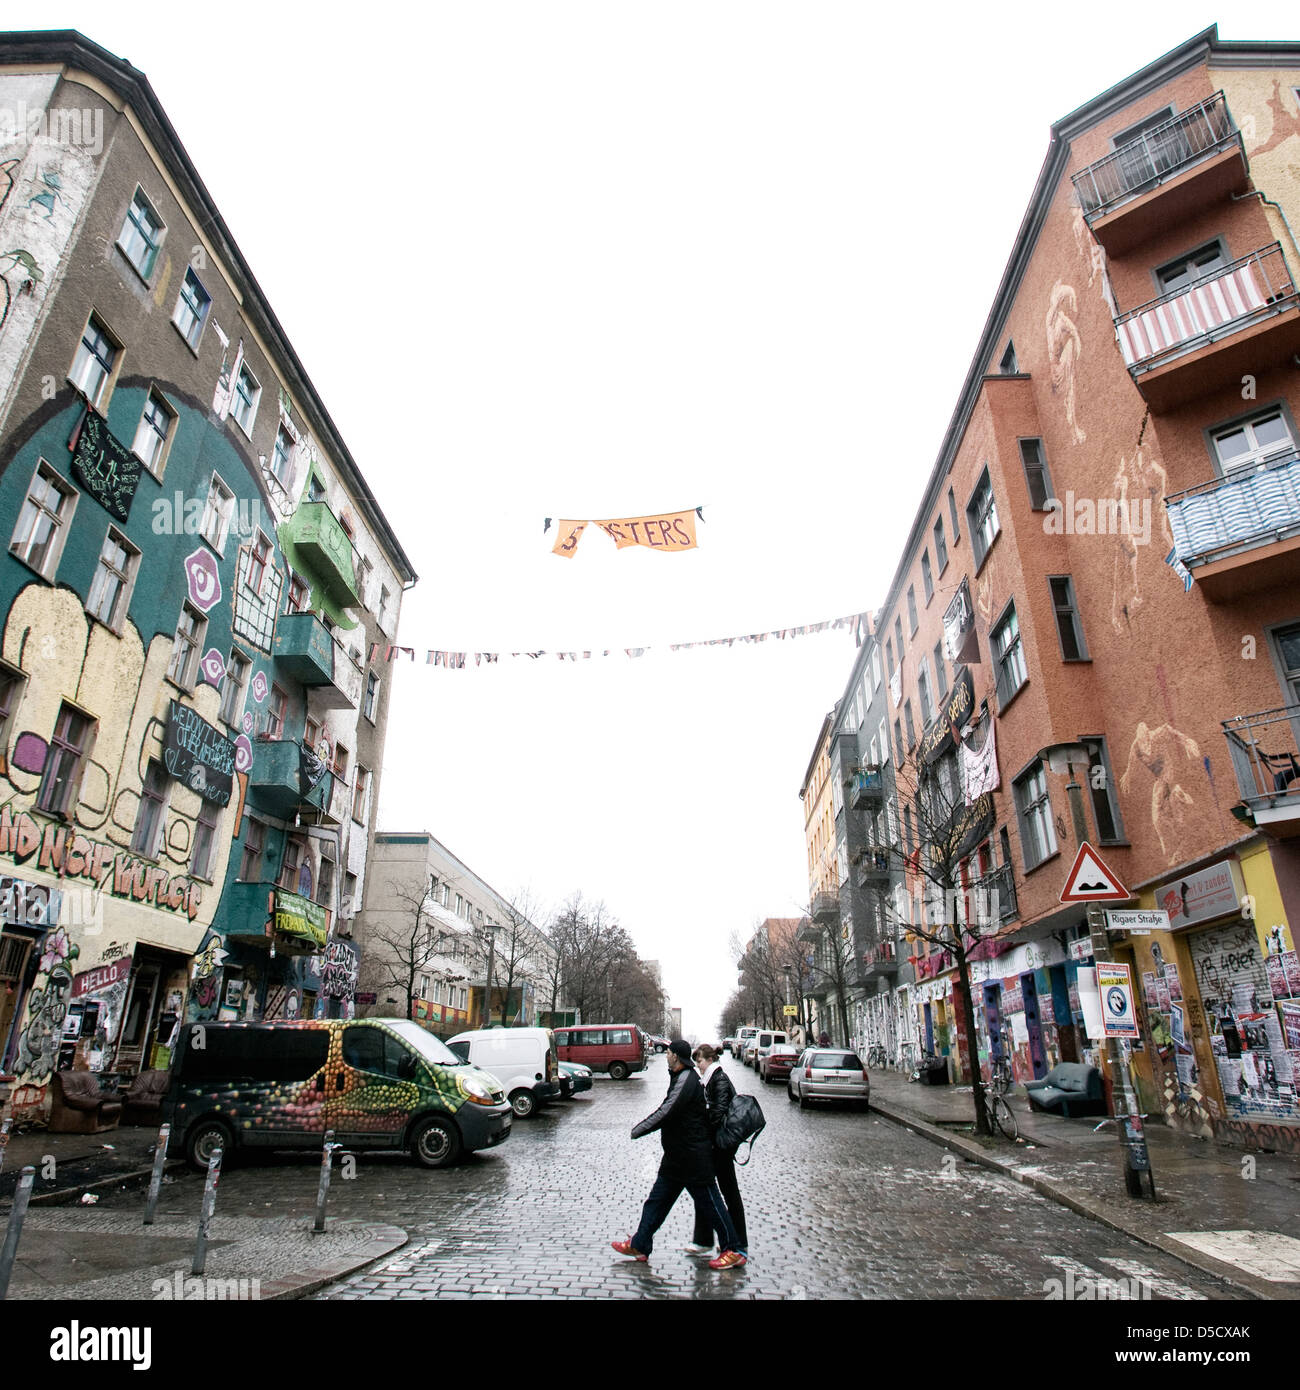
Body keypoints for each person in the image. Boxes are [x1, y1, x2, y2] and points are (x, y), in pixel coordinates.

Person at [612, 1039, 747, 1270]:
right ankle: (640, 1243)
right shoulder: (682, 1076)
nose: (666, 1056)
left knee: (713, 1206)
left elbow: (667, 1110)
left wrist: (639, 1129)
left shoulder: (686, 1079)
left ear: (676, 1056)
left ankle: (733, 1249)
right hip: (677, 1157)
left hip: (693, 1158)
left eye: (669, 1053)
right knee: (656, 1202)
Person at [685, 1044, 747, 1258]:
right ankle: (707, 1240)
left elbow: (719, 1111)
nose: (698, 1067)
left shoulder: (718, 1079)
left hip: (720, 1146)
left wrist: (701, 1120)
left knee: (725, 1192)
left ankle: (735, 1241)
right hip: (717, 1145)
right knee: (708, 1190)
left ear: (709, 1060)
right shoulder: (713, 1078)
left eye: (700, 1062)